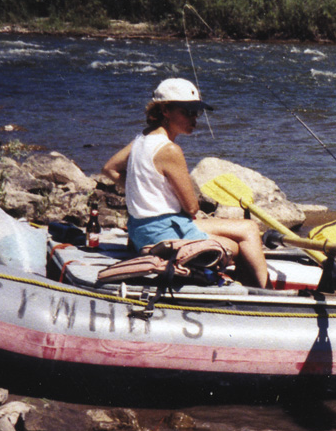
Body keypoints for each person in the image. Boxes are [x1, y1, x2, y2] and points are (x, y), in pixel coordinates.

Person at [102, 78, 268, 288]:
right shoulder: (170, 150)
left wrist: (143, 190)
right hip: (164, 231)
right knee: (239, 244)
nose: (194, 118)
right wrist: (150, 191)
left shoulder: (142, 139)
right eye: (187, 112)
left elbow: (109, 168)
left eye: (196, 112)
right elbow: (191, 207)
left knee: (249, 227)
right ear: (165, 110)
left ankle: (250, 288)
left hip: (140, 230)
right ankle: (263, 293)